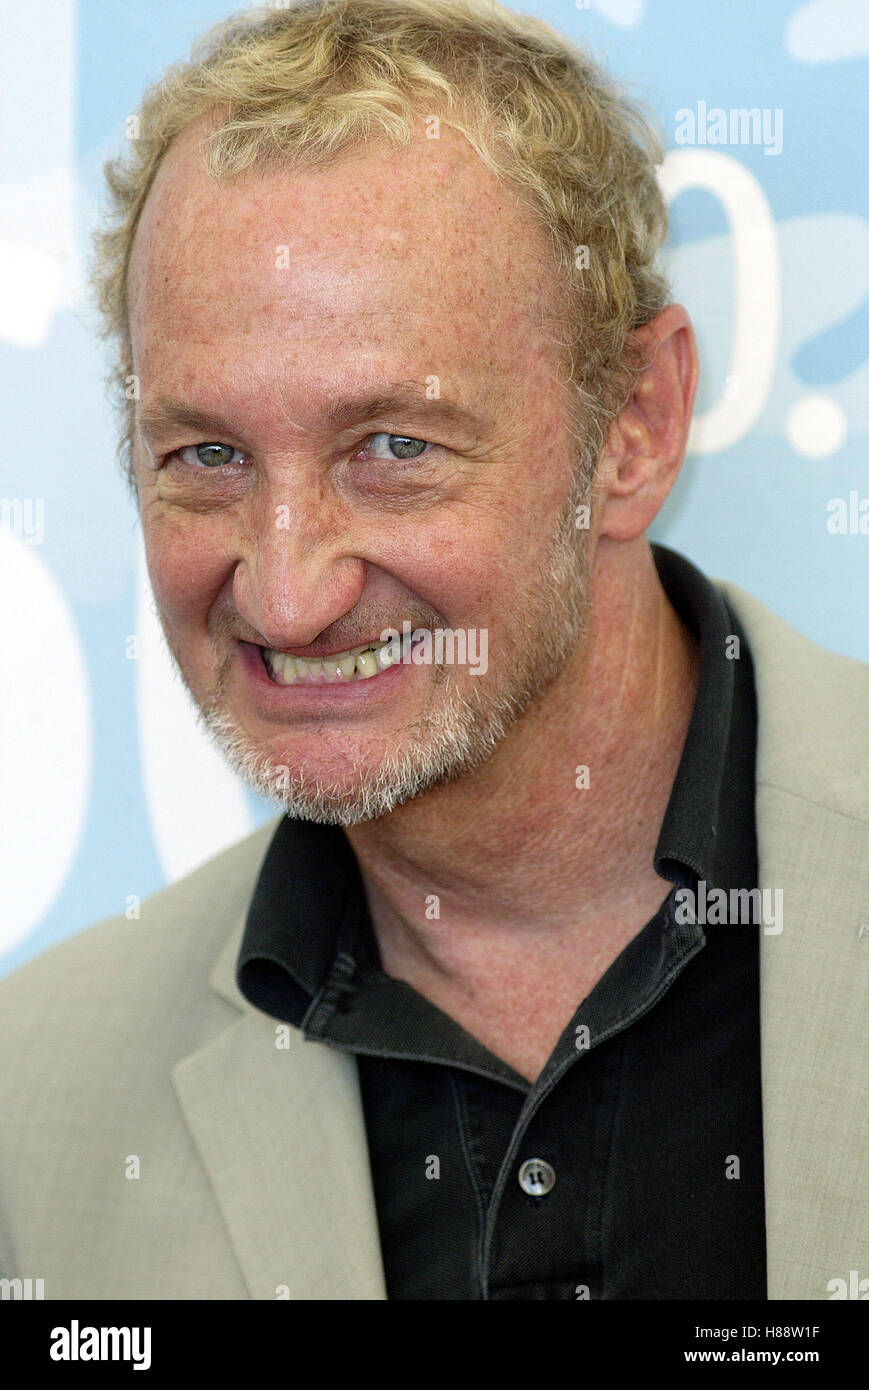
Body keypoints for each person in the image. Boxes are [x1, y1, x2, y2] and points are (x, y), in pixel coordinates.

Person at [1, 0, 865, 1301]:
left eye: (393, 448)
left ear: (630, 428)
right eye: (209, 456)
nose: (287, 593)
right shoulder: (40, 1100)